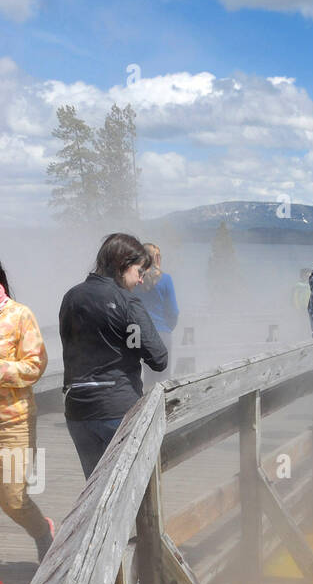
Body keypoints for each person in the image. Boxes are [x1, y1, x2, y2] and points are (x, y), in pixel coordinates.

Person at [59, 234, 167, 479]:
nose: (141, 280)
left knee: (95, 494)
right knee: (130, 492)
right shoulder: (127, 301)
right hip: (117, 410)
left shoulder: (71, 297)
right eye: (139, 271)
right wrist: (131, 342)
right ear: (123, 265)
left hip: (77, 410)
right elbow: (158, 358)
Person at [0, 259, 55, 561]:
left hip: (13, 423)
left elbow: (36, 365)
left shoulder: (19, 315)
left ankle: (42, 531)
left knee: (13, 499)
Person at [140, 243, 179, 374]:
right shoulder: (166, 279)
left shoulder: (136, 280)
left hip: (142, 334)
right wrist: (168, 328)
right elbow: (173, 311)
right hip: (162, 334)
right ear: (156, 258)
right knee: (163, 377)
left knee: (146, 376)